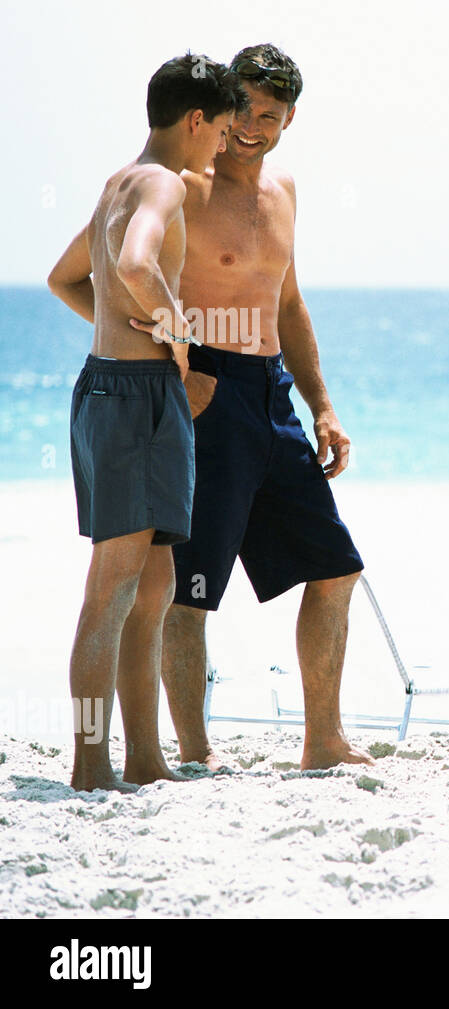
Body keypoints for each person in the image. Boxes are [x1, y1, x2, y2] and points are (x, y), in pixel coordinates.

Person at [143, 44, 372, 772]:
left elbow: (291, 300)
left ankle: (324, 740)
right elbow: (126, 283)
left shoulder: (286, 190)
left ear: (288, 119)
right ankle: (196, 749)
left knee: (336, 567)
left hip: (272, 393)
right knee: (192, 587)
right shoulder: (180, 184)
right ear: (221, 107)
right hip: (205, 387)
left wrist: (324, 406)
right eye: (242, 109)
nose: (251, 127)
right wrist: (176, 373)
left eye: (269, 116)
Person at [47, 54, 245, 792]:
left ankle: (144, 755)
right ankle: (90, 759)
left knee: (153, 584)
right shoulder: (162, 182)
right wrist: (176, 337)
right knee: (111, 588)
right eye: (222, 129)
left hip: (121, 390)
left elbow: (64, 277)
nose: (223, 145)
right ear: (196, 121)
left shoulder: (118, 182)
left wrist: (127, 333)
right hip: (135, 397)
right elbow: (134, 263)